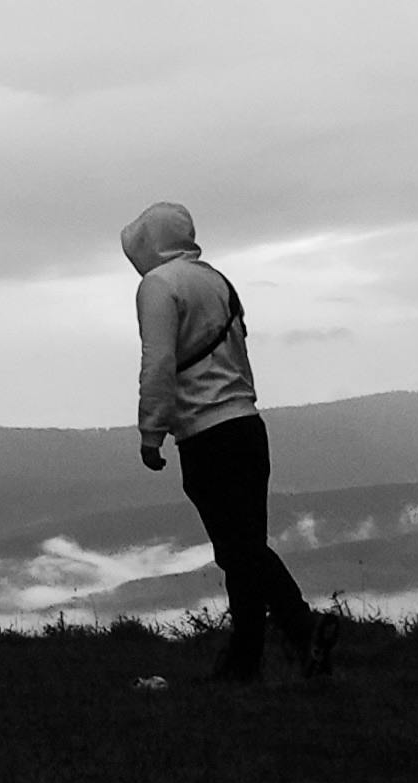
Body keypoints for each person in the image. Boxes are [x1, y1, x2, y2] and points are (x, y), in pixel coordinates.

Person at [122, 198, 335, 683]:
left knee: (237, 551)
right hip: (247, 427)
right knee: (246, 547)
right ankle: (245, 661)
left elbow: (157, 364)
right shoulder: (217, 280)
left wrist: (150, 432)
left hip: (205, 434)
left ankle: (304, 627)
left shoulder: (157, 287)